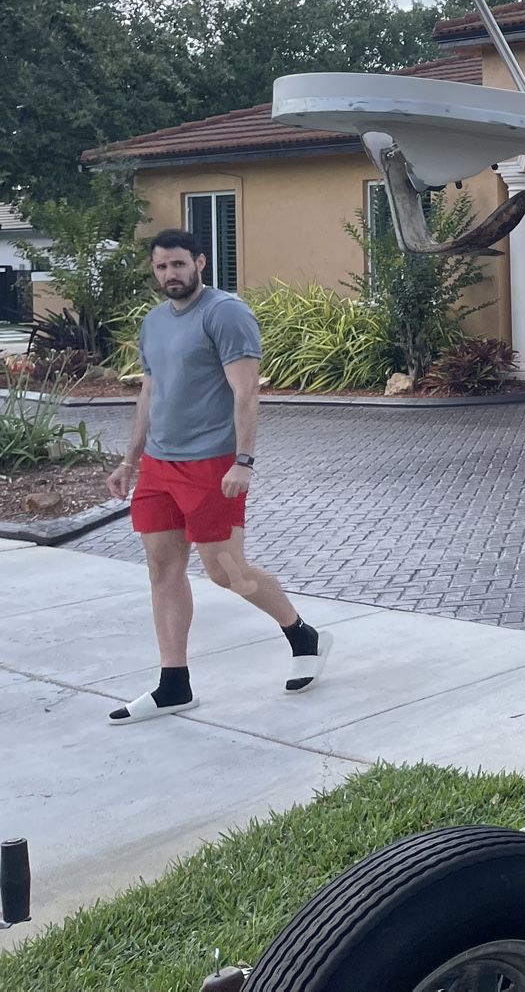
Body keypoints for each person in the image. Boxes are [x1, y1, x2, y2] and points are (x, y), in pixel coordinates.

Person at [103, 229, 332, 723]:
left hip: (211, 462)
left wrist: (243, 461)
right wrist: (130, 460)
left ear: (200, 263)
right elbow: (149, 394)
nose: (171, 275)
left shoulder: (225, 313)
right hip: (160, 466)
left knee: (226, 571)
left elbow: (246, 392)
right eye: (162, 267)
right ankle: (174, 685)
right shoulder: (154, 322)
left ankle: (301, 633)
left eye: (180, 265)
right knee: (162, 569)